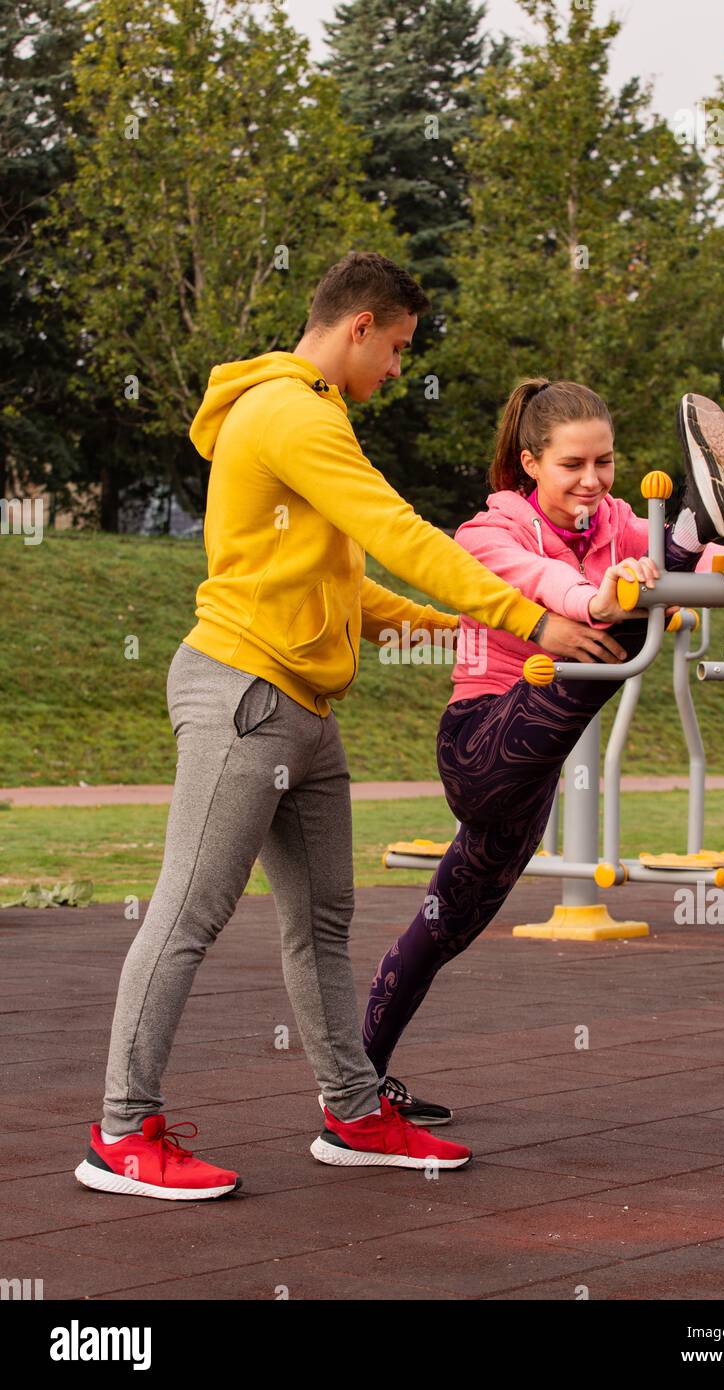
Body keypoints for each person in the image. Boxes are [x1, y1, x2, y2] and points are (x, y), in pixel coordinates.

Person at [73, 253, 616, 1199]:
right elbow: (398, 531)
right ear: (359, 326)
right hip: (242, 692)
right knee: (190, 911)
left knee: (324, 924)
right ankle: (122, 1131)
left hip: (303, 711)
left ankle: (355, 1111)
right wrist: (530, 615)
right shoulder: (293, 412)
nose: (400, 371)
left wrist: (461, 620)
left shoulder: (299, 413)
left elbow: (344, 582)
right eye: (399, 348)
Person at [361, 381, 724, 1125]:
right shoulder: (487, 534)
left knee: (440, 929)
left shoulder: (617, 526)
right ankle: (694, 519)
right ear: (530, 462)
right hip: (482, 746)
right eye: (574, 463)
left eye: (605, 462)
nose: (593, 480)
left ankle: (354, 1084)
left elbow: (698, 571)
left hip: (530, 782)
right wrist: (607, 595)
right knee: (634, 612)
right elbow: (546, 583)